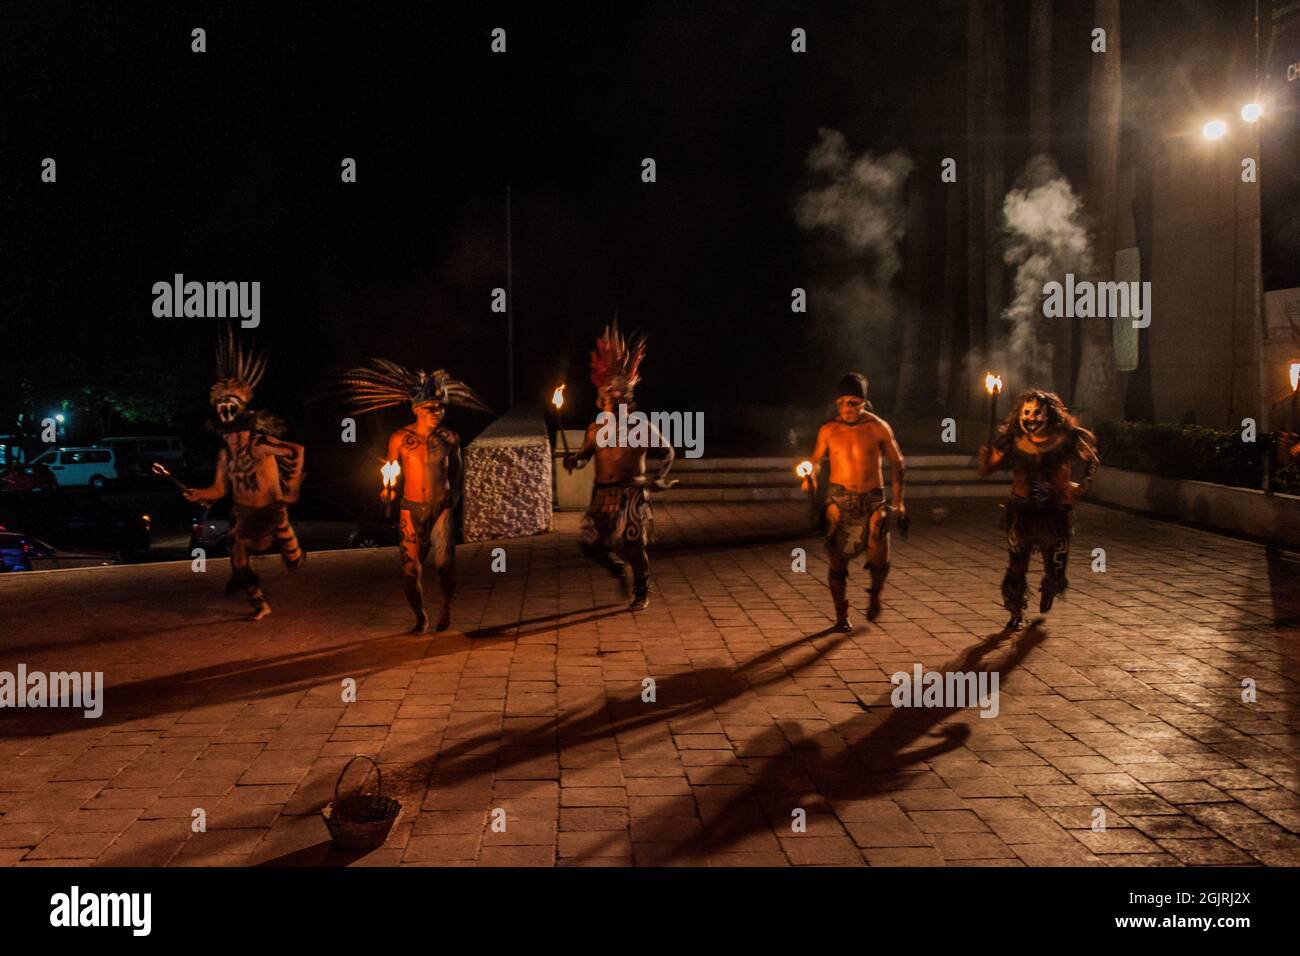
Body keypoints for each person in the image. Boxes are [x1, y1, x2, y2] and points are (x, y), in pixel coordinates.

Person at [337, 359, 489, 634]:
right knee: (410, 572)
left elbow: (457, 467)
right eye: (432, 408)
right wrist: (388, 489)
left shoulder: (449, 437)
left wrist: (452, 495)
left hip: (441, 507)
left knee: (444, 565)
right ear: (417, 408)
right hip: (410, 508)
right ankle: (420, 617)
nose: (437, 412)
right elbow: (391, 470)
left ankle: (445, 606)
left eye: (441, 408)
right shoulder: (399, 438)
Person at [184, 328, 305, 620]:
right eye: (227, 435)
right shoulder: (226, 456)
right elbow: (219, 490)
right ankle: (260, 603)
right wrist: (199, 493)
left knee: (291, 555)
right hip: (244, 512)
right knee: (238, 561)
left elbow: (296, 450)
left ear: (245, 428)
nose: (231, 439)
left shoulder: (261, 445)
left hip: (271, 509)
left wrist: (292, 487)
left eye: (235, 433)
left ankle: (292, 547)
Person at [564, 322, 674, 611]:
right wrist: (573, 461)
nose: (616, 393)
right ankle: (616, 568)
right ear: (601, 396)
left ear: (629, 395)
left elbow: (668, 452)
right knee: (589, 544)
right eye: (610, 388)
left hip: (633, 492)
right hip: (602, 494)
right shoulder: (594, 429)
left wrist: (659, 477)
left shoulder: (642, 426)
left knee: (634, 544)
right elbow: (584, 456)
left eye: (621, 389)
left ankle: (641, 589)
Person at [977, 389, 1099, 631]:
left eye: (1037, 413)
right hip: (1022, 513)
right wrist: (987, 461)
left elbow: (1092, 460)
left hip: (1055, 514)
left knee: (1055, 567)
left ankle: (1051, 585)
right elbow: (987, 470)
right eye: (1027, 413)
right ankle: (1015, 610)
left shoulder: (1067, 438)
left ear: (1050, 415)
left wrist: (1082, 485)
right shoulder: (1013, 441)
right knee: (1016, 566)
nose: (1031, 418)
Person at [808, 372, 906, 631]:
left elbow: (898, 463)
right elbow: (816, 461)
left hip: (873, 498)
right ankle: (841, 616)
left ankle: (875, 594)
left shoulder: (877, 427)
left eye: (853, 402)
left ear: (864, 402)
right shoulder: (829, 430)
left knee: (879, 552)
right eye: (842, 402)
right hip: (840, 499)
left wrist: (899, 501)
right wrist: (811, 477)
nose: (847, 408)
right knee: (837, 559)